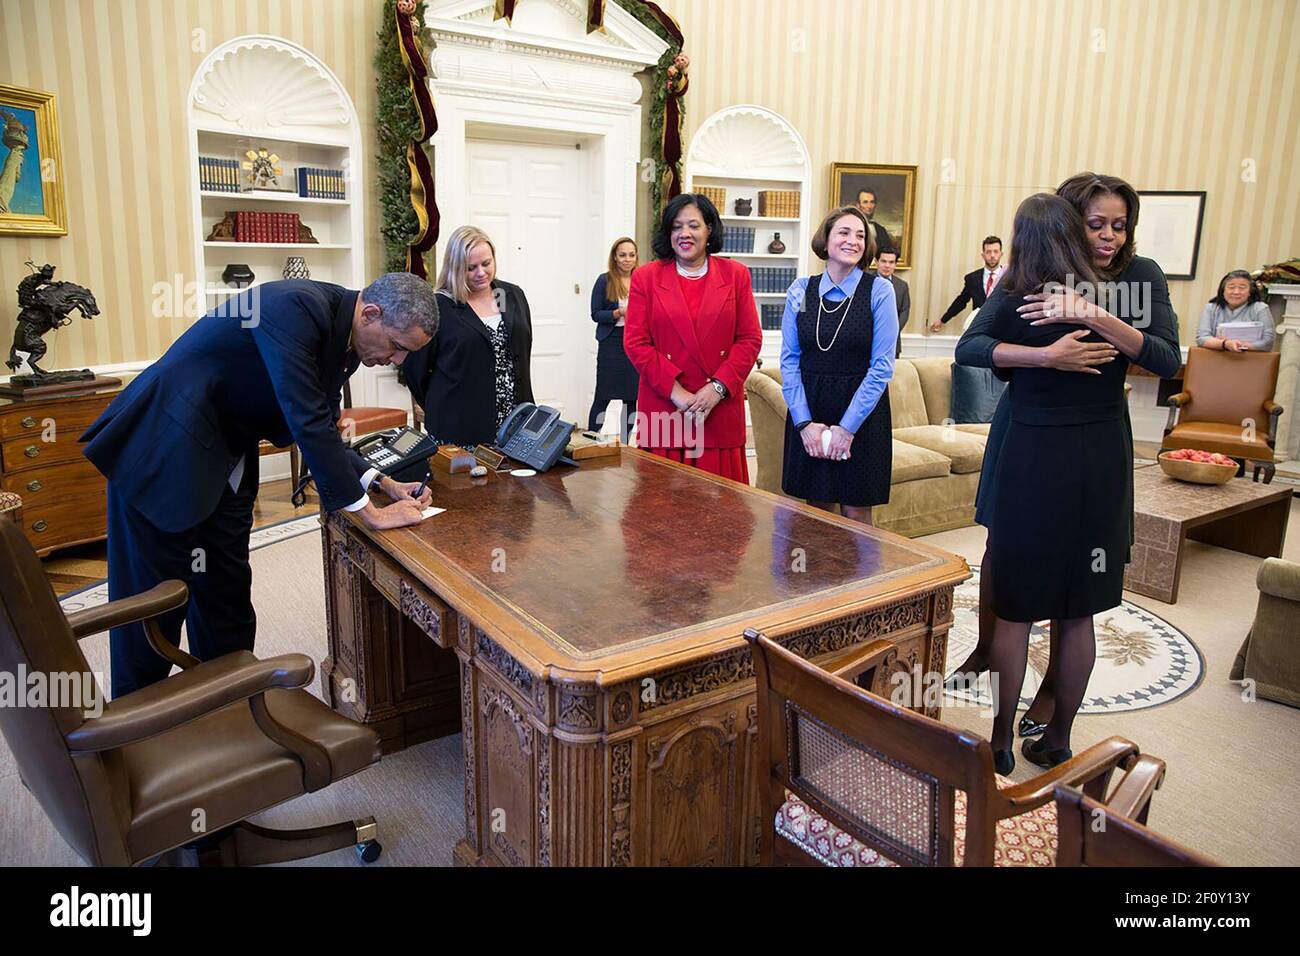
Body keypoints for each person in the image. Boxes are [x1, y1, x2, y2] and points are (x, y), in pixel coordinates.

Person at [81, 275, 438, 697]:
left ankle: (230, 700)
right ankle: (136, 725)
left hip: (226, 460)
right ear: (372, 313)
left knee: (226, 591)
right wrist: (371, 514)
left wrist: (382, 481)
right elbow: (305, 420)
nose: (397, 360)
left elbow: (321, 426)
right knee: (151, 607)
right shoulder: (295, 308)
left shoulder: (348, 340)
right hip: (161, 449)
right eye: (397, 346)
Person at [952, 172, 1182, 745]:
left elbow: (1166, 358)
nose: (1109, 236)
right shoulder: (1030, 278)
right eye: (1096, 223)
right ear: (1067, 222)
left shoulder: (1139, 276)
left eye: (1119, 226)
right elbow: (973, 345)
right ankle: (1013, 715)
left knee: (1076, 599)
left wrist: (1095, 313)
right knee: (1017, 578)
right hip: (1029, 438)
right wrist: (1045, 356)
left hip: (1096, 448)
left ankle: (1046, 725)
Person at [623, 193, 762, 481]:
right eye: (676, 227)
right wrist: (678, 394)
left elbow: (749, 339)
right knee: (661, 515)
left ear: (709, 229)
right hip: (665, 408)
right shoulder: (646, 278)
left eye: (693, 225)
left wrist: (717, 389)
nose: (684, 234)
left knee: (720, 513)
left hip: (718, 410)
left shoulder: (736, 275)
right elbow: (636, 343)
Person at [780, 206, 896, 524]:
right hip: (811, 410)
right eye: (844, 232)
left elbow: (882, 367)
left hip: (863, 415)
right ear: (826, 240)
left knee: (856, 510)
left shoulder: (880, 291)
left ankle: (866, 578)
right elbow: (789, 361)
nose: (853, 241)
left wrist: (847, 428)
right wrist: (804, 424)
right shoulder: (800, 291)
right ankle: (815, 577)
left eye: (860, 235)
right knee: (815, 511)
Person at [403, 225, 534, 447]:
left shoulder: (511, 295)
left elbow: (523, 349)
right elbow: (415, 369)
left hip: (515, 421)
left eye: (486, 263)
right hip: (460, 425)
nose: (481, 273)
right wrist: (441, 404)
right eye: (470, 267)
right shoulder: (440, 306)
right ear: (455, 267)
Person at [587, 237, 641, 442]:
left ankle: (627, 443)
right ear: (615, 258)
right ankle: (590, 440)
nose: (627, 259)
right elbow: (595, 314)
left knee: (631, 398)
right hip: (610, 343)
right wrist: (618, 313)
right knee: (603, 396)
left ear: (636, 258)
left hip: (634, 344)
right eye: (623, 255)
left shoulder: (641, 279)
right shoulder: (604, 280)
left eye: (631, 255)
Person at [930, 236, 1004, 331]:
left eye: (996, 251)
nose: (992, 255)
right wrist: (942, 320)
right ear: (983, 255)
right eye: (988, 252)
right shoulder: (972, 279)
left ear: (1001, 254)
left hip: (1002, 328)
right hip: (978, 328)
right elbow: (961, 302)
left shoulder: (1010, 278)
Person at [1196, 270, 1275, 351]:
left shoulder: (1260, 308)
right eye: (1231, 287)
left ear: (1250, 292)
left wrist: (1239, 346)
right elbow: (1202, 338)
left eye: (1242, 288)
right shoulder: (1211, 308)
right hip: (1216, 359)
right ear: (1223, 291)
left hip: (1249, 359)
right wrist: (1225, 344)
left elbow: (1268, 342)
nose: (1236, 292)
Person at [872, 248, 910, 357]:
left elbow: (905, 311)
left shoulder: (902, 286)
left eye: (891, 262)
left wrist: (891, 329)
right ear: (876, 262)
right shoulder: (865, 282)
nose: (887, 266)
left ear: (895, 264)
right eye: (883, 261)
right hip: (868, 340)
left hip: (892, 342)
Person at [854, 188, 896, 257]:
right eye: (865, 202)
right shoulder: (851, 227)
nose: (869, 206)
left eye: (872, 202)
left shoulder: (881, 230)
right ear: (858, 205)